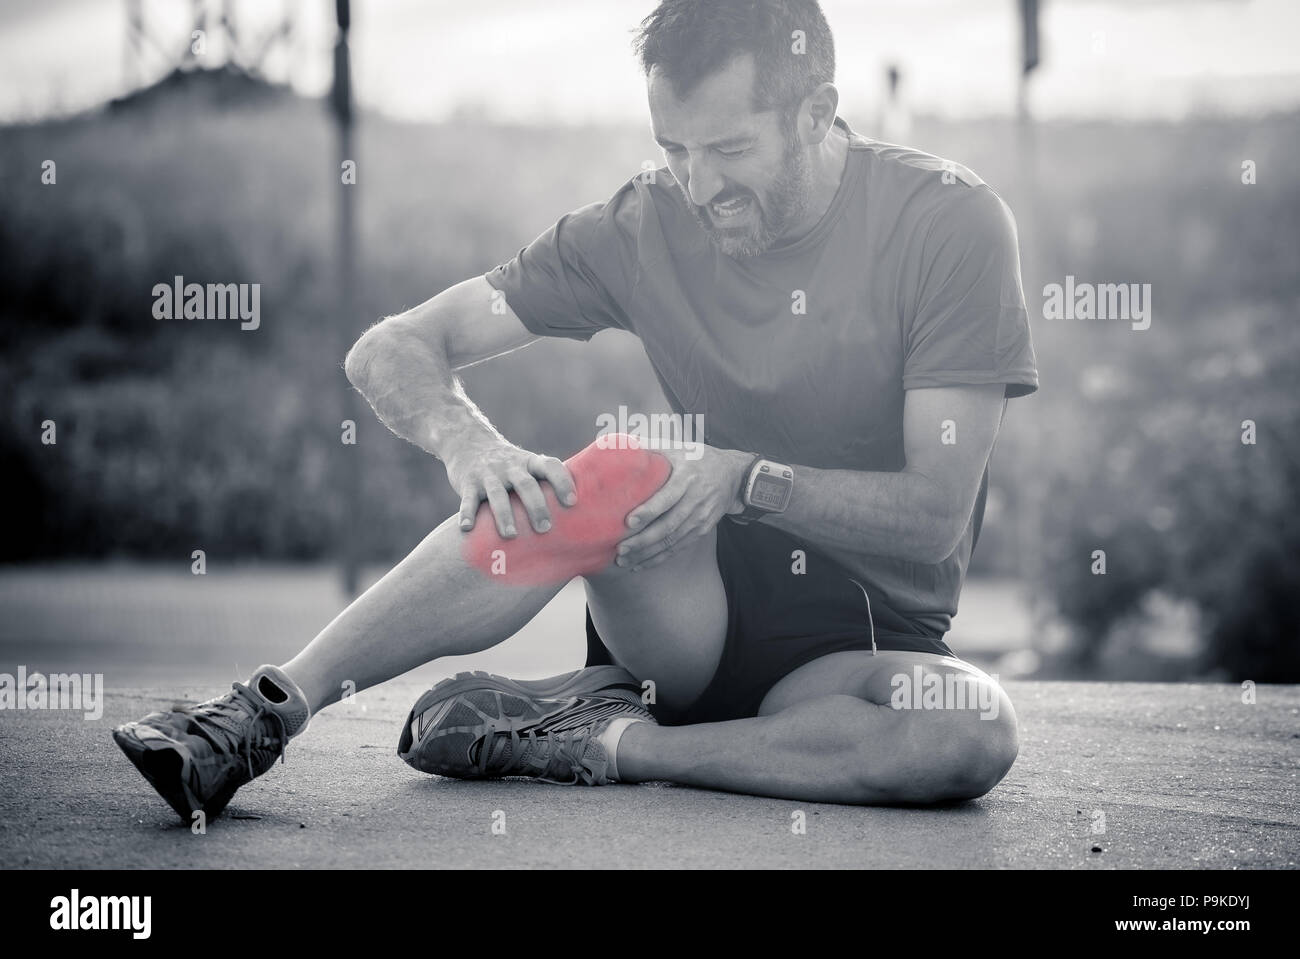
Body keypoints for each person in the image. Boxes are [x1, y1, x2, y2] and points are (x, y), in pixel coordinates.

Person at [114, 0, 1038, 818]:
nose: (700, 187)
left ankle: (599, 739)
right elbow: (390, 347)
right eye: (675, 149)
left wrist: (749, 480)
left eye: (729, 151)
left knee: (971, 733)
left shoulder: (949, 224)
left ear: (817, 112)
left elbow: (932, 517)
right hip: (685, 615)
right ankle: (257, 715)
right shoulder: (643, 222)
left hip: (855, 654)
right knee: (626, 465)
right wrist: (468, 443)